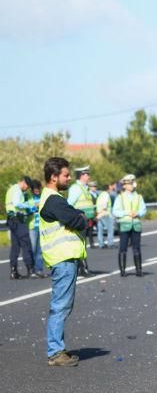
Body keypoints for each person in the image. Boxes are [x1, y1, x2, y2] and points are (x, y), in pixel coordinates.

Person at [39, 157, 88, 366]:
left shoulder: (52, 198)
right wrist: (80, 218)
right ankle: (55, 352)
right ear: (54, 177)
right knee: (60, 306)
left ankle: (57, 349)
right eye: (66, 175)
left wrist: (77, 217)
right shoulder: (54, 200)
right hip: (63, 258)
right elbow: (78, 220)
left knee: (62, 305)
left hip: (63, 258)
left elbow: (74, 218)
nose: (69, 179)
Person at [113, 174, 146, 277]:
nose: (132, 185)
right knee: (123, 248)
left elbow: (143, 209)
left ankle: (139, 270)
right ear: (124, 186)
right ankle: (122, 270)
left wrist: (138, 213)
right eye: (129, 184)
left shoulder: (139, 197)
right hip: (124, 225)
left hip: (136, 225)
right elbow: (115, 211)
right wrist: (127, 213)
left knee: (136, 248)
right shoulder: (120, 197)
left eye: (132, 183)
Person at [5, 176, 37, 279]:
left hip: (11, 219)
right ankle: (30, 270)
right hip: (18, 220)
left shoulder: (11, 189)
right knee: (26, 243)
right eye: (27, 186)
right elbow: (17, 203)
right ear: (24, 183)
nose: (27, 189)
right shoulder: (18, 190)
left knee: (16, 246)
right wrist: (28, 205)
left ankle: (13, 272)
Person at [27, 178, 47, 277]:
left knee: (40, 250)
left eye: (38, 189)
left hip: (41, 226)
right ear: (32, 189)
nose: (37, 191)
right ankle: (31, 269)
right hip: (32, 227)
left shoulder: (42, 197)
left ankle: (39, 270)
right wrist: (35, 206)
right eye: (35, 189)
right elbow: (27, 209)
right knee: (33, 248)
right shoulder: (29, 197)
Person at [94, 181, 114, 249]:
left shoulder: (100, 195)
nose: (111, 188)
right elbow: (104, 206)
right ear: (108, 189)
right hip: (105, 214)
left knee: (100, 230)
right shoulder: (106, 195)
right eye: (110, 187)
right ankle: (110, 243)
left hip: (99, 214)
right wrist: (100, 214)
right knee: (110, 230)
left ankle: (101, 244)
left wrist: (98, 215)